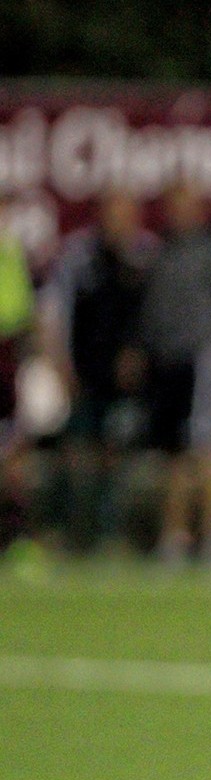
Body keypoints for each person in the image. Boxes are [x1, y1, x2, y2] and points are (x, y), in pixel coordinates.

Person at [139, 180, 211, 566]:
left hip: (206, 357)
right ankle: (175, 537)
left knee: (207, 447)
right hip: (168, 361)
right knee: (175, 453)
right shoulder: (161, 251)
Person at [35, 189, 158, 554]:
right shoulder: (78, 256)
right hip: (84, 372)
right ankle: (68, 531)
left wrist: (142, 357)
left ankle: (111, 534)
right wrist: (60, 364)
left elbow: (156, 315)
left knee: (117, 453)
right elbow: (55, 310)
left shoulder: (147, 255)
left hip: (129, 379)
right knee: (76, 451)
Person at [0, 194, 36, 557]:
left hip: (6, 371)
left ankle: (16, 538)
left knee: (14, 458)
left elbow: (19, 315)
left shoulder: (11, 255)